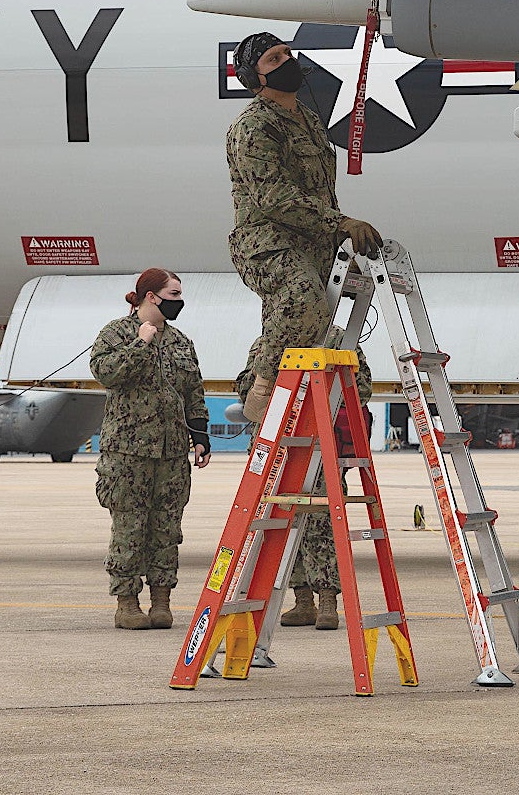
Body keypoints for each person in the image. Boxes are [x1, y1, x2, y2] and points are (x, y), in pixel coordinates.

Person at [225, 31, 381, 632]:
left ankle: (318, 598)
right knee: (299, 302)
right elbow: (273, 197)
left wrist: (336, 232)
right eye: (273, 60)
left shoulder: (311, 123)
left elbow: (322, 189)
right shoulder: (252, 127)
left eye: (287, 55)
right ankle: (262, 382)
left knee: (325, 345)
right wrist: (339, 222)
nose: (287, 63)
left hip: (312, 248)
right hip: (267, 241)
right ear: (255, 78)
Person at [90, 267, 212, 630]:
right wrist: (140, 345)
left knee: (167, 529)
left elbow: (193, 392)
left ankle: (161, 601)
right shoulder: (117, 333)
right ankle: (127, 604)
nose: (179, 301)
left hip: (171, 454)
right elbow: (105, 373)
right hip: (128, 454)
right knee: (129, 527)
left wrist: (200, 436)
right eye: (173, 295)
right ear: (151, 296)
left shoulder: (181, 342)